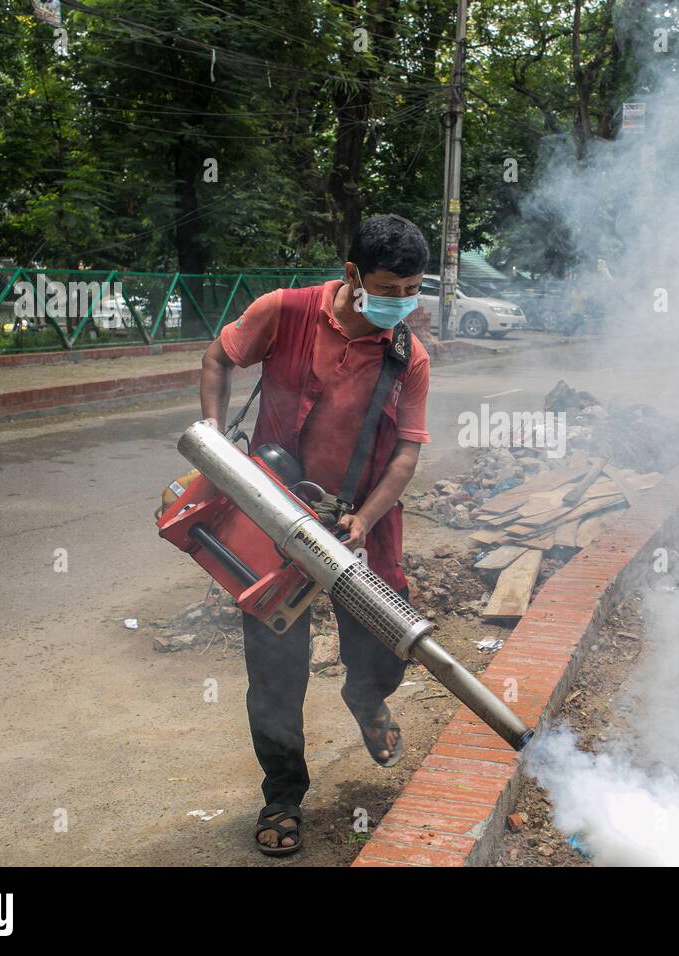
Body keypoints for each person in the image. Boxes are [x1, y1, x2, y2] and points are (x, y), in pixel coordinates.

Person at [199, 214, 431, 856]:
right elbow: (217, 357)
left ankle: (366, 696)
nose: (401, 303)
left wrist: (367, 517)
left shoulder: (408, 357)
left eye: (412, 288)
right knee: (275, 670)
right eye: (389, 288)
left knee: (386, 645)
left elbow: (407, 453)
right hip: (273, 520)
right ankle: (282, 795)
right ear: (352, 275)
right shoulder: (285, 311)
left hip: (364, 524)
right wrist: (216, 445)